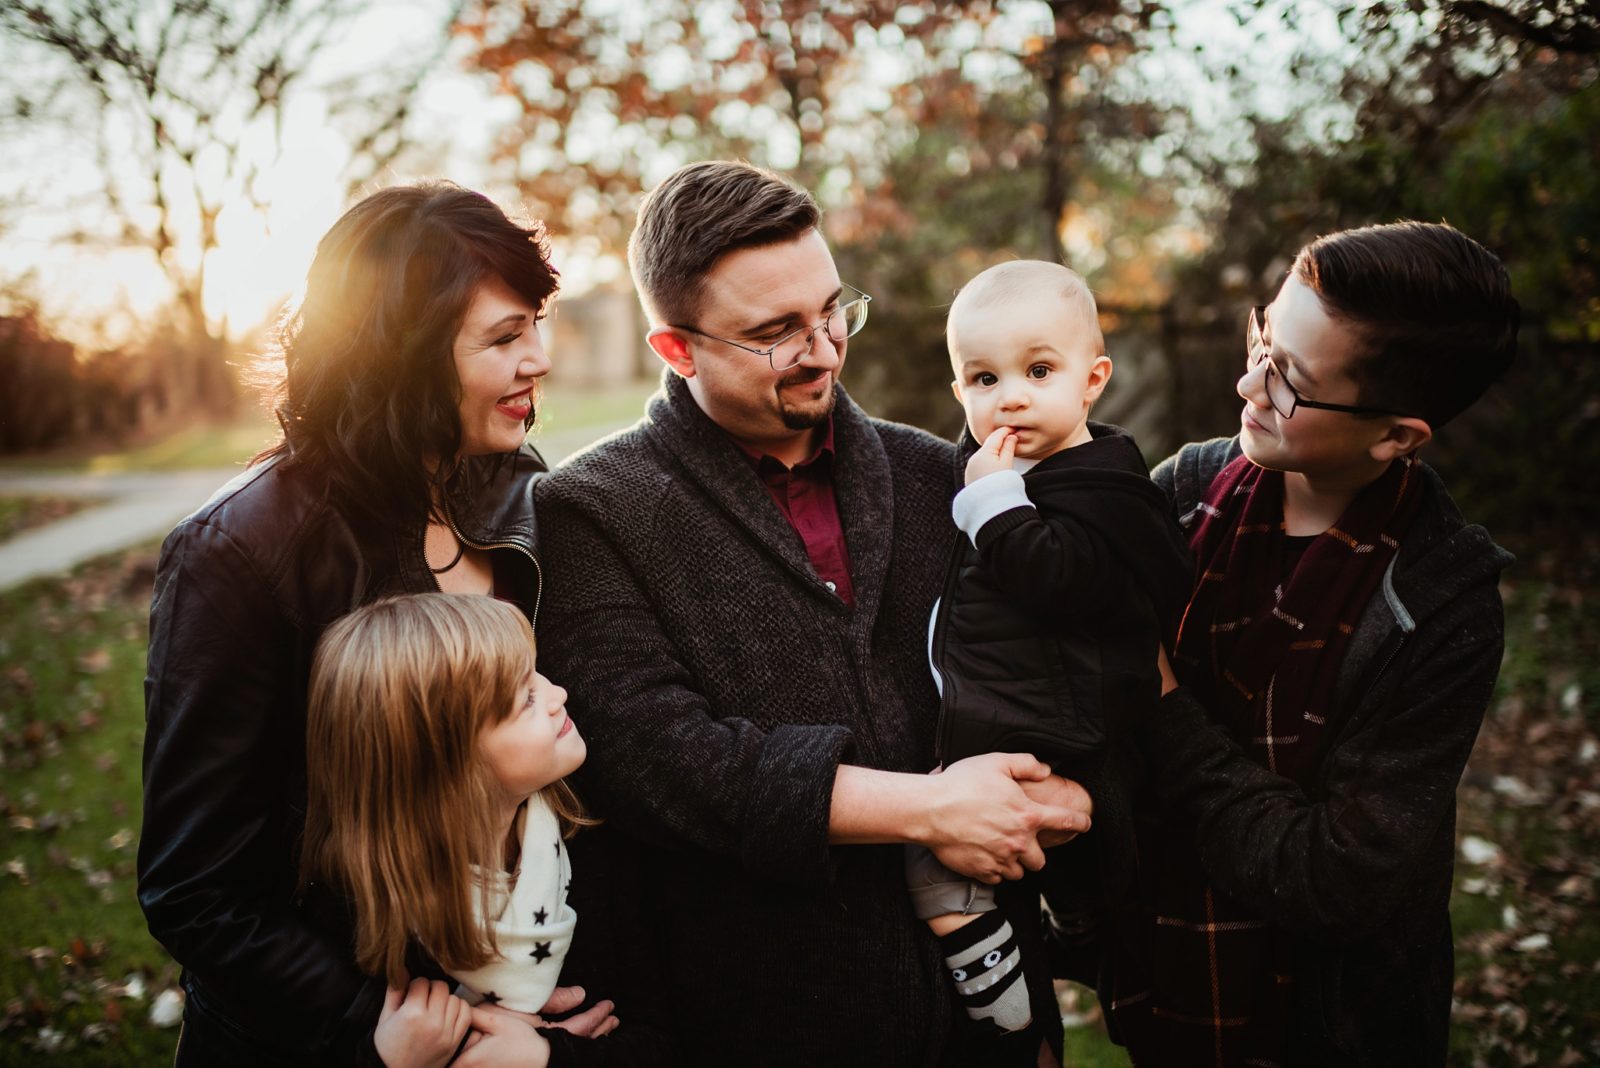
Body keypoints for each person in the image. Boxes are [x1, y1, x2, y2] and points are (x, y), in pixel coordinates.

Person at [534, 160, 1094, 1065]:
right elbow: (660, 759)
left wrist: (1073, 784)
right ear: (676, 348)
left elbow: (1049, 658)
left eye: (833, 309)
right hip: (759, 1016)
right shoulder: (592, 510)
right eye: (775, 333)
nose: (826, 348)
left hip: (982, 1018)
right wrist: (926, 809)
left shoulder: (940, 475)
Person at [137, 183, 626, 1066]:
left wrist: (533, 999)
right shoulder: (241, 553)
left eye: (536, 326)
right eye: (505, 337)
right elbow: (197, 886)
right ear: (404, 357)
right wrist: (409, 1032)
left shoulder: (514, 485)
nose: (540, 359)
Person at [1110, 221, 1518, 1066]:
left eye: (1289, 380)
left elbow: (1333, 881)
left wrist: (1160, 708)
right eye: (1263, 337)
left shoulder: (1441, 606)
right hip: (1165, 973)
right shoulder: (1186, 494)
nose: (1248, 382)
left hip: (1336, 1024)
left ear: (1395, 436)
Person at [903, 261, 1192, 1036]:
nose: (1011, 395)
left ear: (1092, 379)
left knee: (1015, 857)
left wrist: (992, 500)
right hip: (1011, 704)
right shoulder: (1000, 472)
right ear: (960, 391)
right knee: (984, 840)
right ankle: (1027, 930)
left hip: (1065, 719)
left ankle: (1034, 953)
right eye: (984, 377)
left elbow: (1058, 579)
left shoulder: (1103, 483)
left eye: (1038, 370)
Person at [302, 593, 611, 1068]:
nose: (557, 695)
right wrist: (392, 1061)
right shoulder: (363, 917)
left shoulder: (580, 837)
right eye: (526, 698)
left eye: (537, 673)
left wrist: (550, 1055)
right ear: (449, 769)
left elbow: (652, 1033)